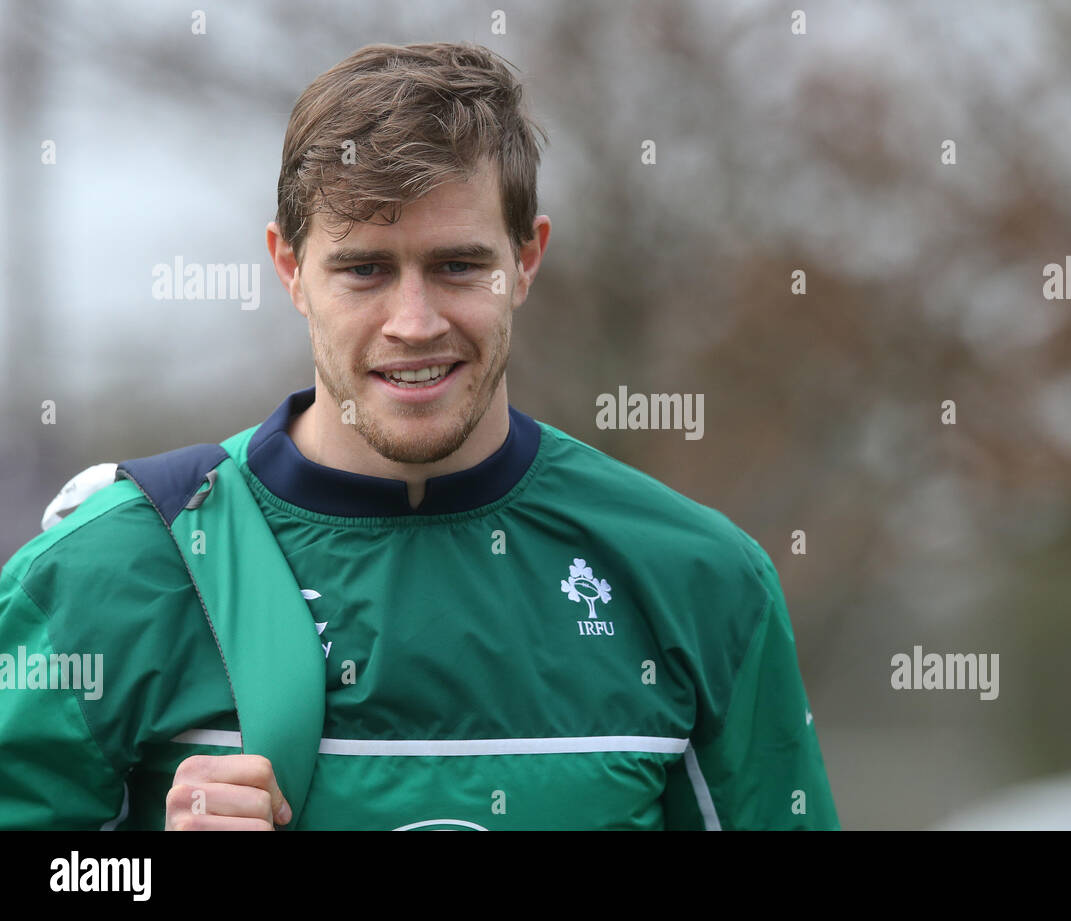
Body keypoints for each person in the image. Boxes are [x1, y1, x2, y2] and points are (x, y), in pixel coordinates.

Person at [0, 41, 838, 830]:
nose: (415, 321)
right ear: (290, 268)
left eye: (458, 265)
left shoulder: (699, 582)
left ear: (527, 258)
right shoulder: (103, 579)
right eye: (364, 268)